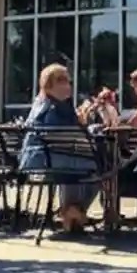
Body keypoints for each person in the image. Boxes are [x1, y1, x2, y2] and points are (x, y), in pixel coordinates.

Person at [19, 64, 98, 232]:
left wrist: (80, 122)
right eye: (63, 81)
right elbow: (64, 136)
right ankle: (73, 210)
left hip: (39, 157)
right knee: (97, 167)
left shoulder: (43, 102)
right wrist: (82, 125)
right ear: (50, 85)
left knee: (89, 164)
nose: (68, 86)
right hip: (48, 158)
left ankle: (72, 212)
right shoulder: (54, 107)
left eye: (69, 82)